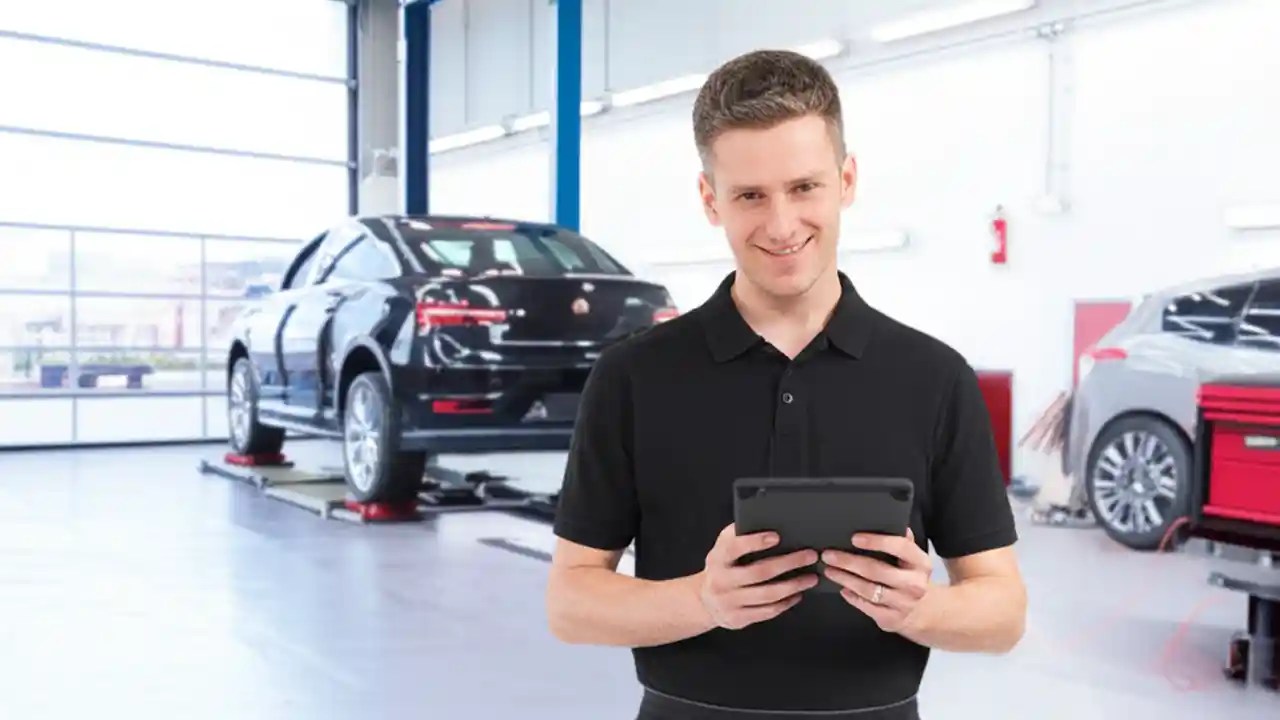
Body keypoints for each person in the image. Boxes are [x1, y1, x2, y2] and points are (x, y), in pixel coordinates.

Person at [544, 48, 1027, 720]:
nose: (780, 225)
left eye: (804, 188)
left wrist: (926, 607)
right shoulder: (633, 377)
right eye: (750, 195)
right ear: (711, 199)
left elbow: (1002, 610)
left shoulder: (934, 378)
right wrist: (702, 601)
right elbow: (570, 601)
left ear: (847, 179)